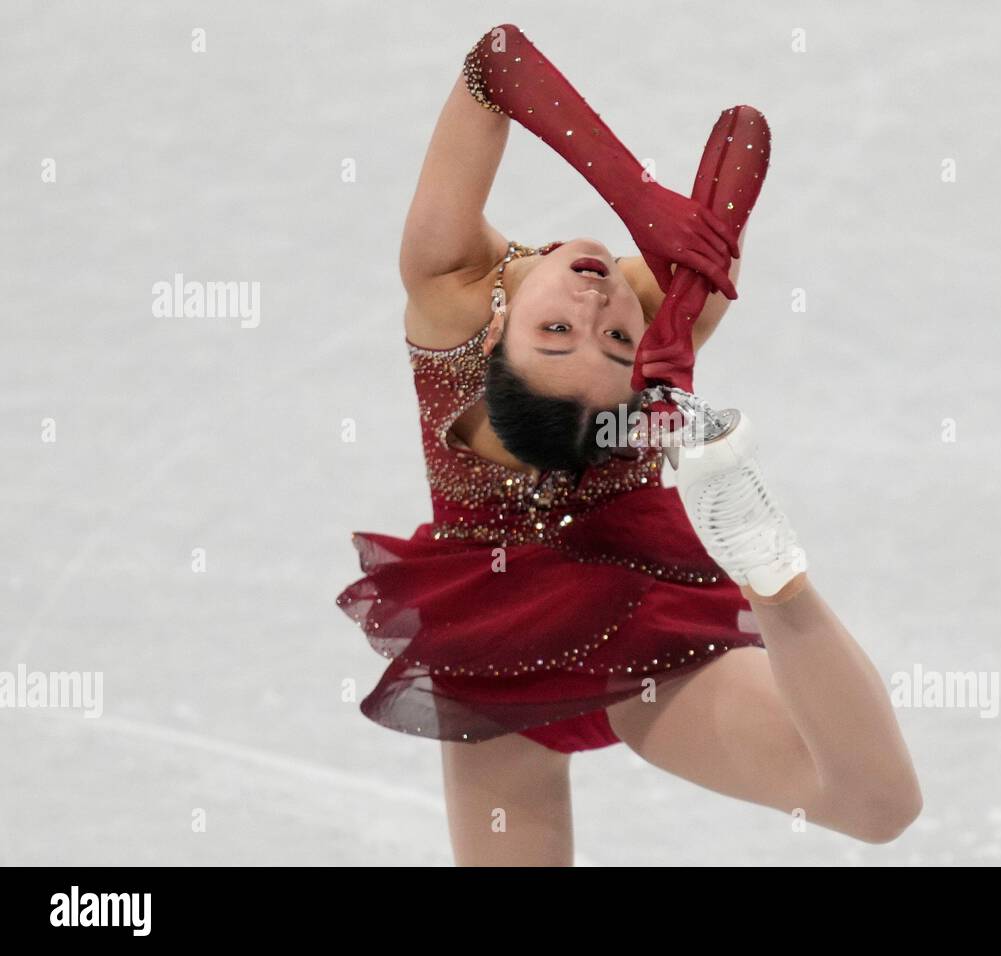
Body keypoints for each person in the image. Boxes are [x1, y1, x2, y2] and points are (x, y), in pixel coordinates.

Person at [337, 23, 921, 865]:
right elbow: (741, 138)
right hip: (493, 644)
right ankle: (769, 586)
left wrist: (647, 216)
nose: (596, 297)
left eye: (571, 331)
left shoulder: (452, 285)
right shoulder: (618, 310)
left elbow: (496, 59)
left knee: (878, 805)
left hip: (634, 614)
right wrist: (665, 261)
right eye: (597, 334)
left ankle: (776, 581)